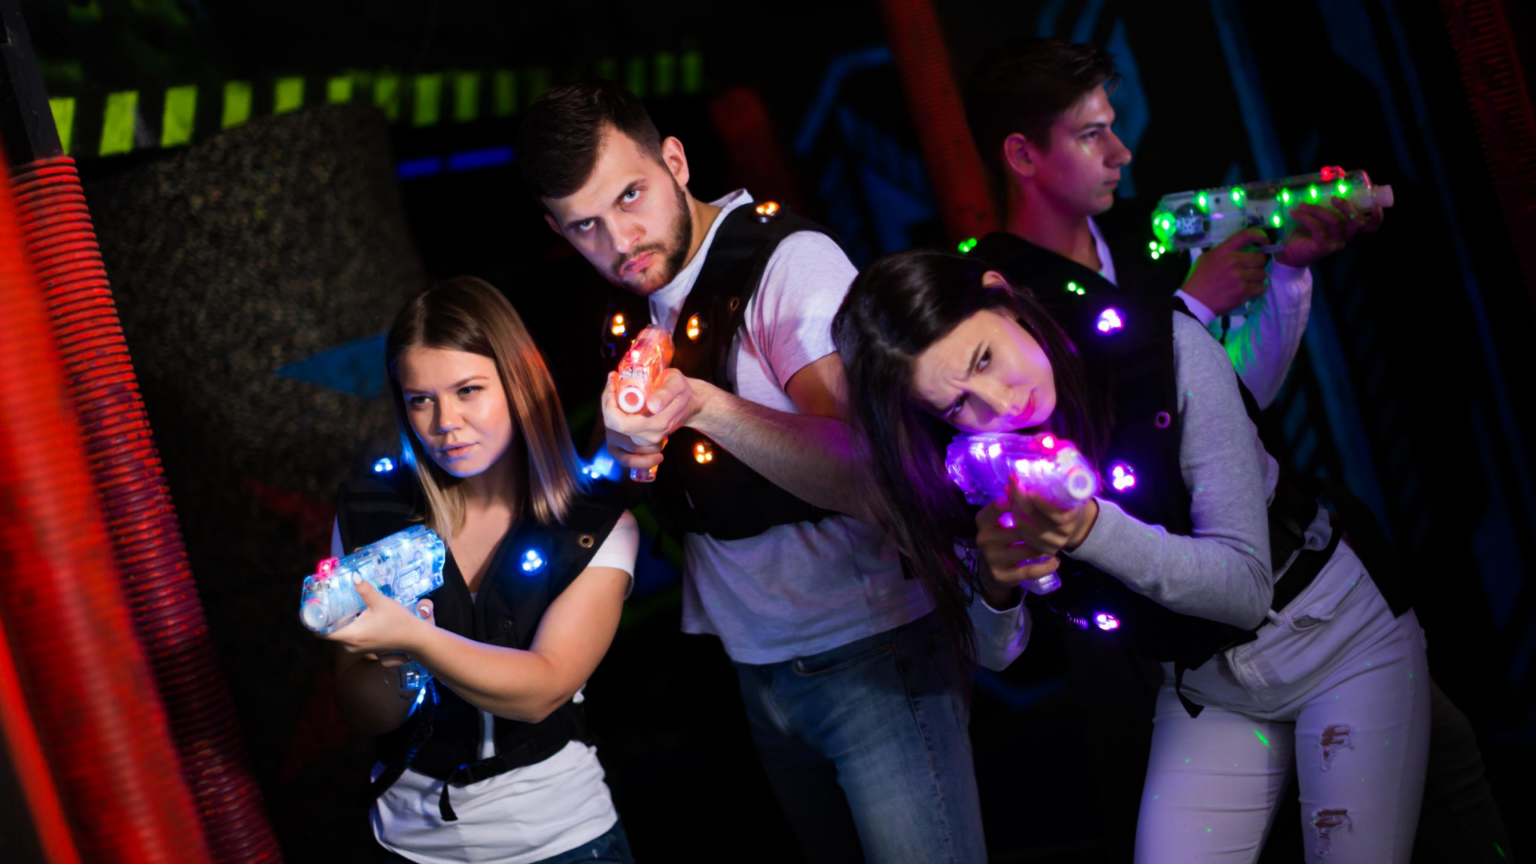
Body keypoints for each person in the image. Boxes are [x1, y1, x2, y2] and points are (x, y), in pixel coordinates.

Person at [963, 37, 1510, 863]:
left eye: (1113, 126)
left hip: (1294, 581)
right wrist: (1185, 307)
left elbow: (1230, 403)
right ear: (1022, 154)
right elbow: (1106, 442)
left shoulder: (1140, 247)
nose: (1121, 151)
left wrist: (1286, 274)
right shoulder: (998, 298)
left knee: (1447, 759)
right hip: (1161, 622)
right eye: (1089, 134)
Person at [515, 80, 1019, 863]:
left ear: (675, 161)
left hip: (874, 655)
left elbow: (873, 474)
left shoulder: (789, 267)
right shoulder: (646, 300)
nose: (619, 240)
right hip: (761, 669)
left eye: (631, 196)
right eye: (586, 225)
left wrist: (702, 406)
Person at [833, 250, 1430, 862]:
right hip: (1205, 687)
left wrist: (1090, 528)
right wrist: (995, 581)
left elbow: (1244, 590)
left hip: (1339, 643)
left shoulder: (1161, 348)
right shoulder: (965, 459)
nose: (997, 405)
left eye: (984, 358)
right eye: (956, 405)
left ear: (1001, 296)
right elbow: (993, 651)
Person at [320, 277, 638, 864]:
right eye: (421, 399)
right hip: (408, 841)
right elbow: (363, 712)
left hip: (560, 838)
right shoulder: (372, 512)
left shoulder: (591, 523)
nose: (445, 421)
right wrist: (397, 667)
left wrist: (414, 637)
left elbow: (541, 690)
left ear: (518, 383)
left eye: (468, 389)